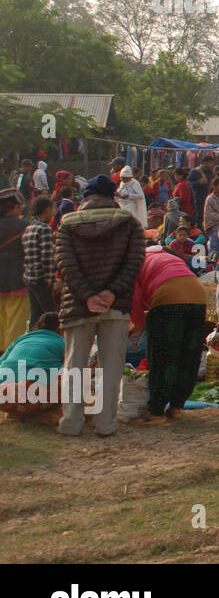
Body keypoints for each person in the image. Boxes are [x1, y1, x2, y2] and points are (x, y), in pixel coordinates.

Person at [55, 174, 146, 436]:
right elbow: (134, 262)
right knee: (111, 366)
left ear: (86, 197)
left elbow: (65, 265)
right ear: (113, 196)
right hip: (115, 306)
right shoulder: (130, 224)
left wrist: (87, 295)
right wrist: (110, 293)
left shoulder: (67, 224)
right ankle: (105, 422)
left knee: (74, 365)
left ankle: (71, 422)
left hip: (77, 305)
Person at [128, 248, 208, 424]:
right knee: (189, 354)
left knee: (163, 356)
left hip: (168, 297)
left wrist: (138, 325)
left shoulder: (134, 263)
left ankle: (156, 411)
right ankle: (176, 406)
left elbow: (134, 299)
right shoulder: (166, 257)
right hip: (198, 295)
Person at [22, 197, 58, 331]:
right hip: (42, 278)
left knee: (35, 314)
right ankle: (54, 342)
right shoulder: (45, 229)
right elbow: (47, 257)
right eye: (52, 210)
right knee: (51, 313)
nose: (53, 214)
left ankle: (31, 338)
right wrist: (50, 280)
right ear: (47, 210)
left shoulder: (29, 228)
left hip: (30, 277)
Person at [0, 188, 29, 350]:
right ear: (16, 206)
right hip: (18, 281)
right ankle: (10, 363)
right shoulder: (23, 226)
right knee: (15, 325)